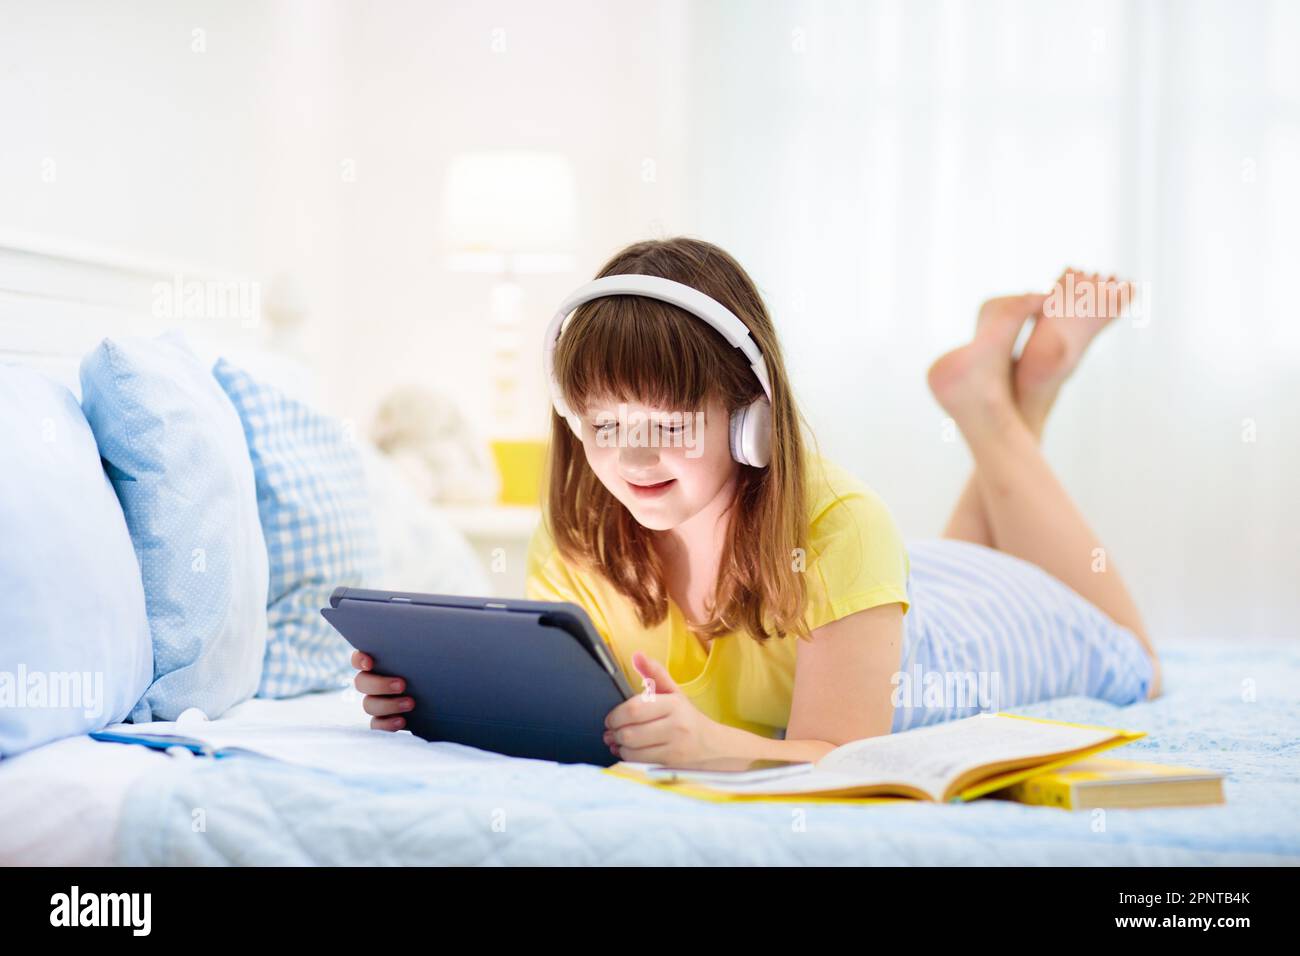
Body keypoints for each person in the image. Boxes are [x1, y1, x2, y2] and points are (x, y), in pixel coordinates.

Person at [352, 237, 1161, 769]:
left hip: (943, 641)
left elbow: (849, 757)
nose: (632, 459)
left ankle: (996, 406)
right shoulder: (573, 540)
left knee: (1139, 665)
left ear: (751, 422)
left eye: (668, 424)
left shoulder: (841, 526)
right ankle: (1005, 391)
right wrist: (440, 704)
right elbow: (569, 721)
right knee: (942, 562)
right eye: (604, 425)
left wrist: (714, 747)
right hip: (878, 600)